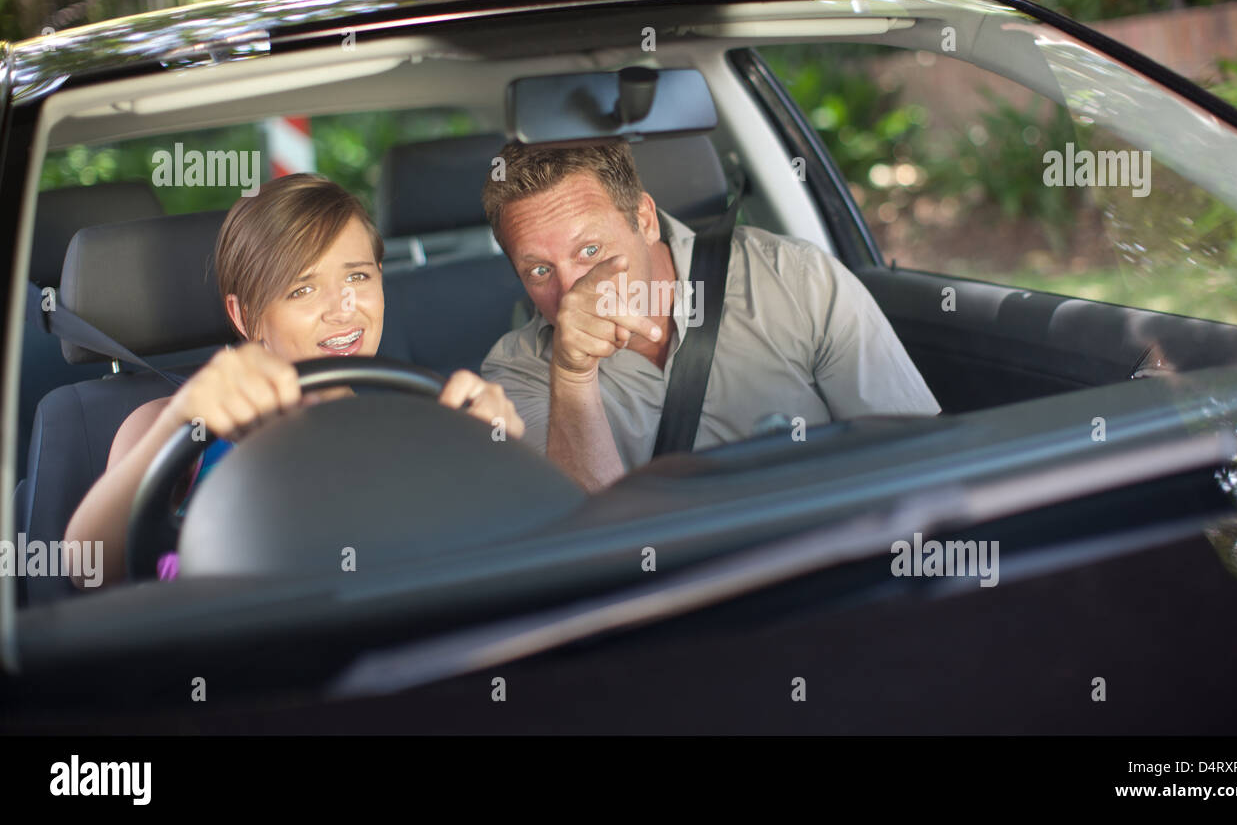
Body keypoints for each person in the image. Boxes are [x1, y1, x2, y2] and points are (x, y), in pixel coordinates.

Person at [65, 173, 524, 588]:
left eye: (358, 276)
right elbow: (87, 569)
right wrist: (181, 421)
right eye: (302, 289)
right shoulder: (168, 423)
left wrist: (494, 451)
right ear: (245, 315)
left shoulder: (423, 418)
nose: (342, 308)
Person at [479, 140, 940, 492]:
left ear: (644, 218)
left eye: (590, 250)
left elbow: (921, 460)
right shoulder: (516, 373)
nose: (571, 291)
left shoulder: (794, 279)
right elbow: (592, 545)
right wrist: (573, 373)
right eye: (539, 270)